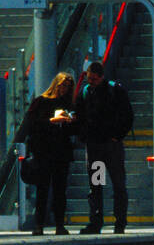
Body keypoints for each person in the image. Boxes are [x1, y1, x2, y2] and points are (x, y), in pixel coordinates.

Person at [73, 60, 133, 234]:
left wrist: (117, 136)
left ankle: (119, 222)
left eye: (94, 79)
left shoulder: (115, 90)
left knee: (117, 184)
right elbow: (80, 115)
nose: (91, 82)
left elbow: (127, 116)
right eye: (89, 79)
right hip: (97, 146)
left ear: (101, 77)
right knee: (97, 184)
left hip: (109, 146)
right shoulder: (86, 92)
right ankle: (98, 221)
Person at [19, 72, 76, 235]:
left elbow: (74, 129)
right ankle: (39, 225)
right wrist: (52, 121)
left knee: (60, 190)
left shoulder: (68, 104)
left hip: (61, 152)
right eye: (62, 86)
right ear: (56, 85)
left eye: (67, 87)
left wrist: (70, 122)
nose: (64, 89)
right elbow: (31, 124)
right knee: (42, 189)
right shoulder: (41, 102)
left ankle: (59, 224)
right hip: (43, 151)